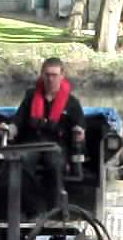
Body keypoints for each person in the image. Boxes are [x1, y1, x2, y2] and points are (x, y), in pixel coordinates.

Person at [9, 57, 85, 214]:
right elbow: (17, 120)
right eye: (47, 74)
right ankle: (32, 209)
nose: (50, 79)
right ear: (42, 75)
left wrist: (79, 133)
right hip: (32, 143)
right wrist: (9, 129)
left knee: (55, 165)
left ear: (62, 75)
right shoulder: (31, 96)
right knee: (21, 163)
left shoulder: (72, 102)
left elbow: (80, 126)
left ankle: (56, 210)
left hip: (56, 145)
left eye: (54, 75)